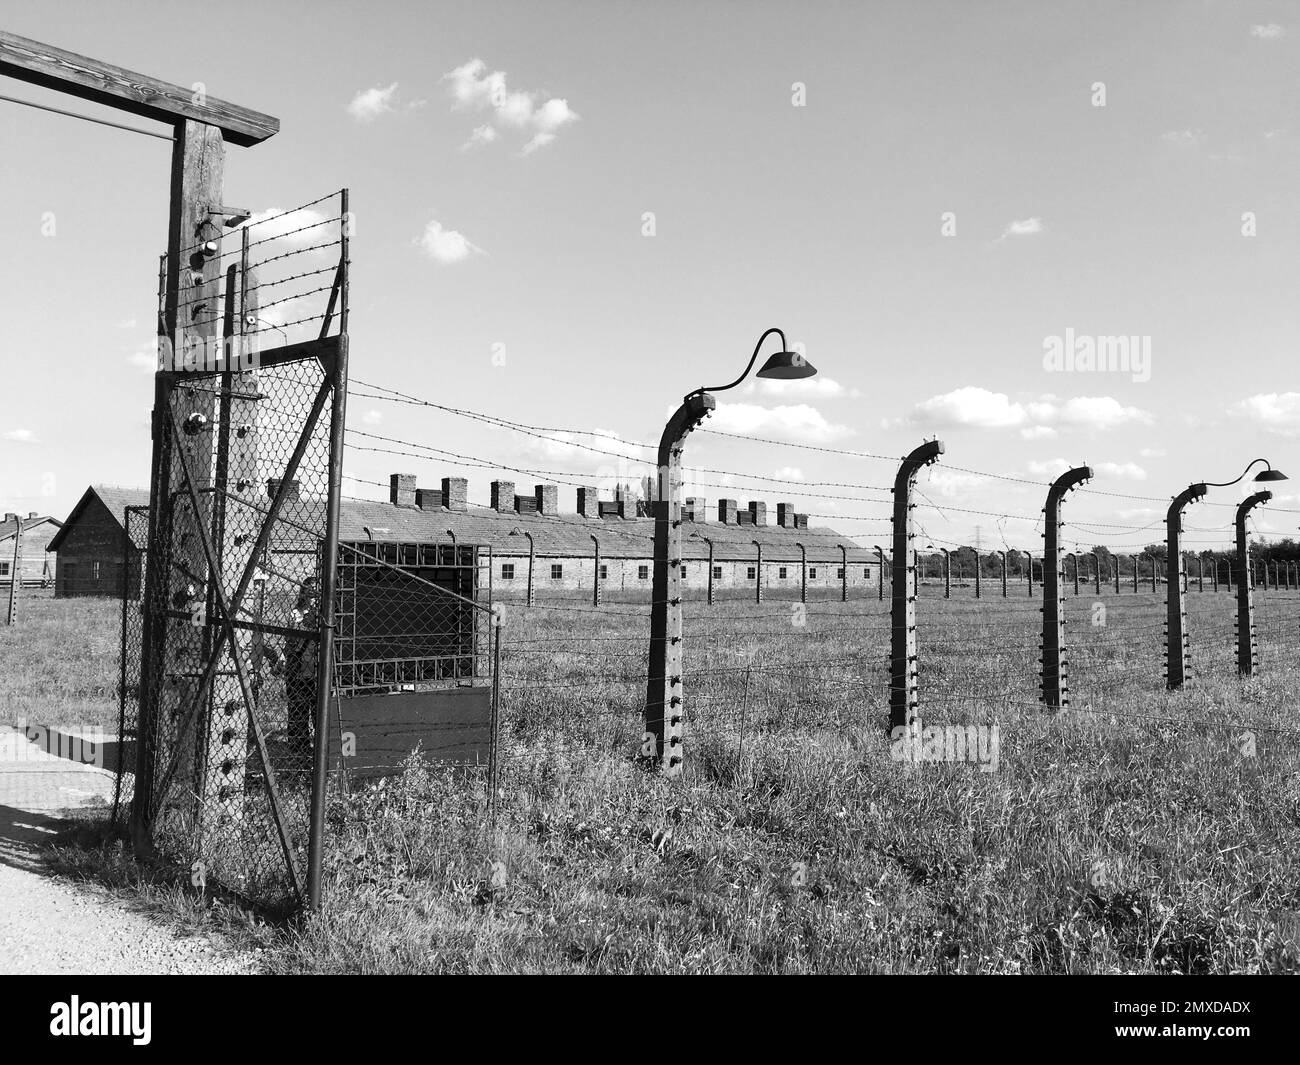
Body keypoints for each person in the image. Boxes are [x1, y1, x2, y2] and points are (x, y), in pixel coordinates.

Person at [267, 578, 319, 774]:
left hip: (315, 668)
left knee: (317, 709)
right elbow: (289, 642)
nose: (313, 595)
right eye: (309, 591)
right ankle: (298, 750)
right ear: (303, 593)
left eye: (316, 592)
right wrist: (282, 661)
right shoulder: (295, 614)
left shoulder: (322, 614)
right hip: (297, 668)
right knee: (297, 710)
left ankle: (319, 749)